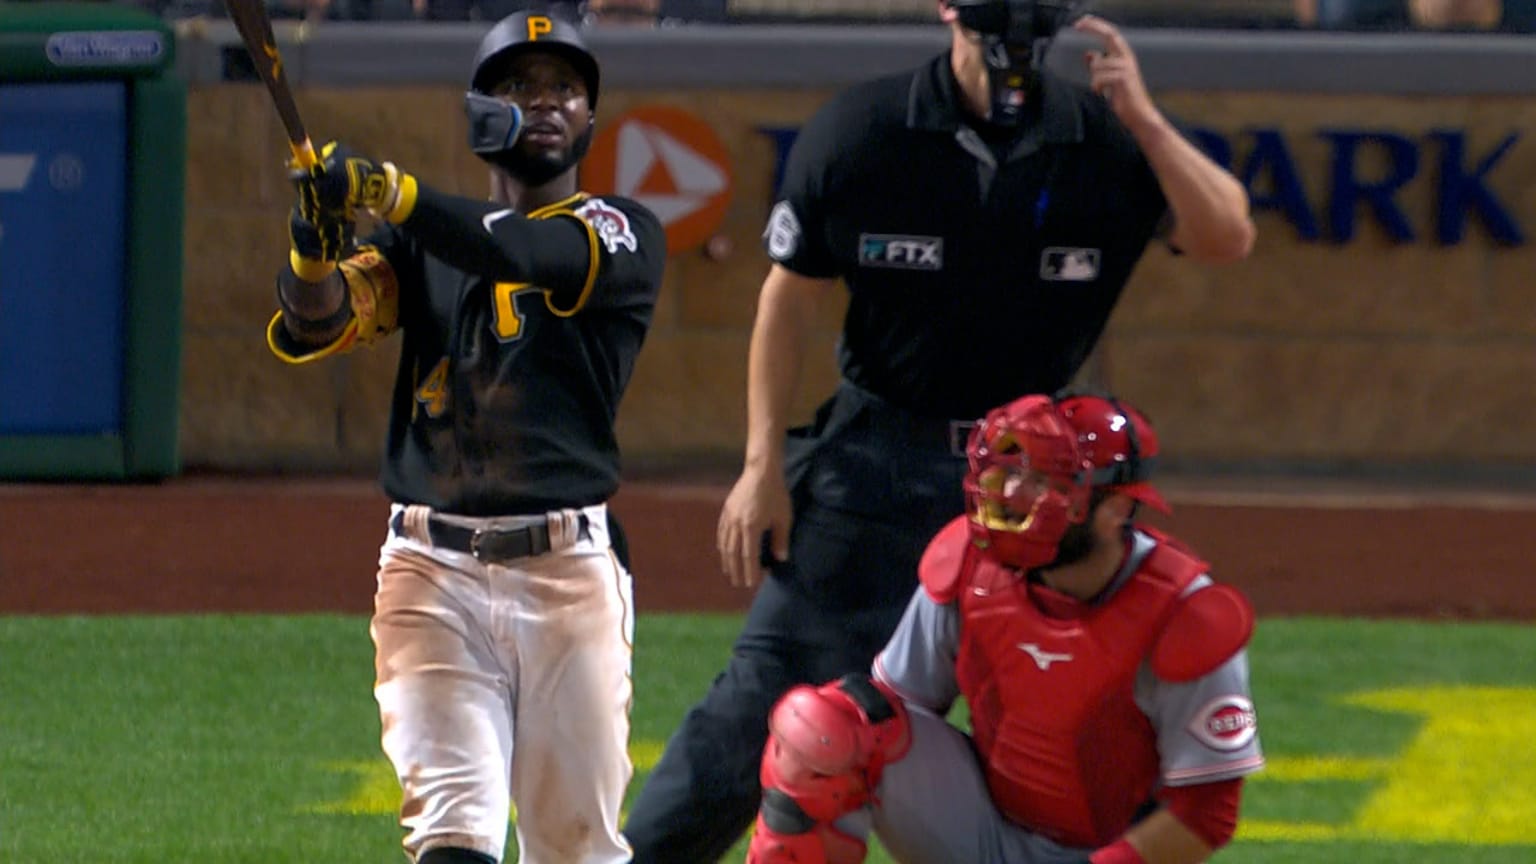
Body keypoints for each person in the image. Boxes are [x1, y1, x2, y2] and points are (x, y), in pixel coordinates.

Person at [622, 1, 1256, 859]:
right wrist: (761, 465)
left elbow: (1226, 236)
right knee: (779, 707)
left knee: (1071, 732)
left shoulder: (1101, 141)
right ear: (948, 11)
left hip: (1040, 484)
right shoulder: (866, 129)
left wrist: (1141, 117)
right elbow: (789, 295)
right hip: (878, 460)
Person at [266, 11, 665, 864]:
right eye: (520, 85)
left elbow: (526, 255)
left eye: (566, 87)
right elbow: (316, 324)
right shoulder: (422, 248)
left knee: (574, 848)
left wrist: (387, 193)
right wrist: (311, 247)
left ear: (591, 115)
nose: (548, 102)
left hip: (569, 573)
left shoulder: (622, 230)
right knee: (451, 835)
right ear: (481, 111)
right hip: (430, 570)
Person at [747, 392, 1266, 864]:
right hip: (986, 829)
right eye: (1011, 472)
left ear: (1115, 509)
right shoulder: (969, 562)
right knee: (830, 730)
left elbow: (1205, 816)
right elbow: (890, 716)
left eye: (1044, 481)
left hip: (1109, 853)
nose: (1013, 494)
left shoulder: (1183, 613)